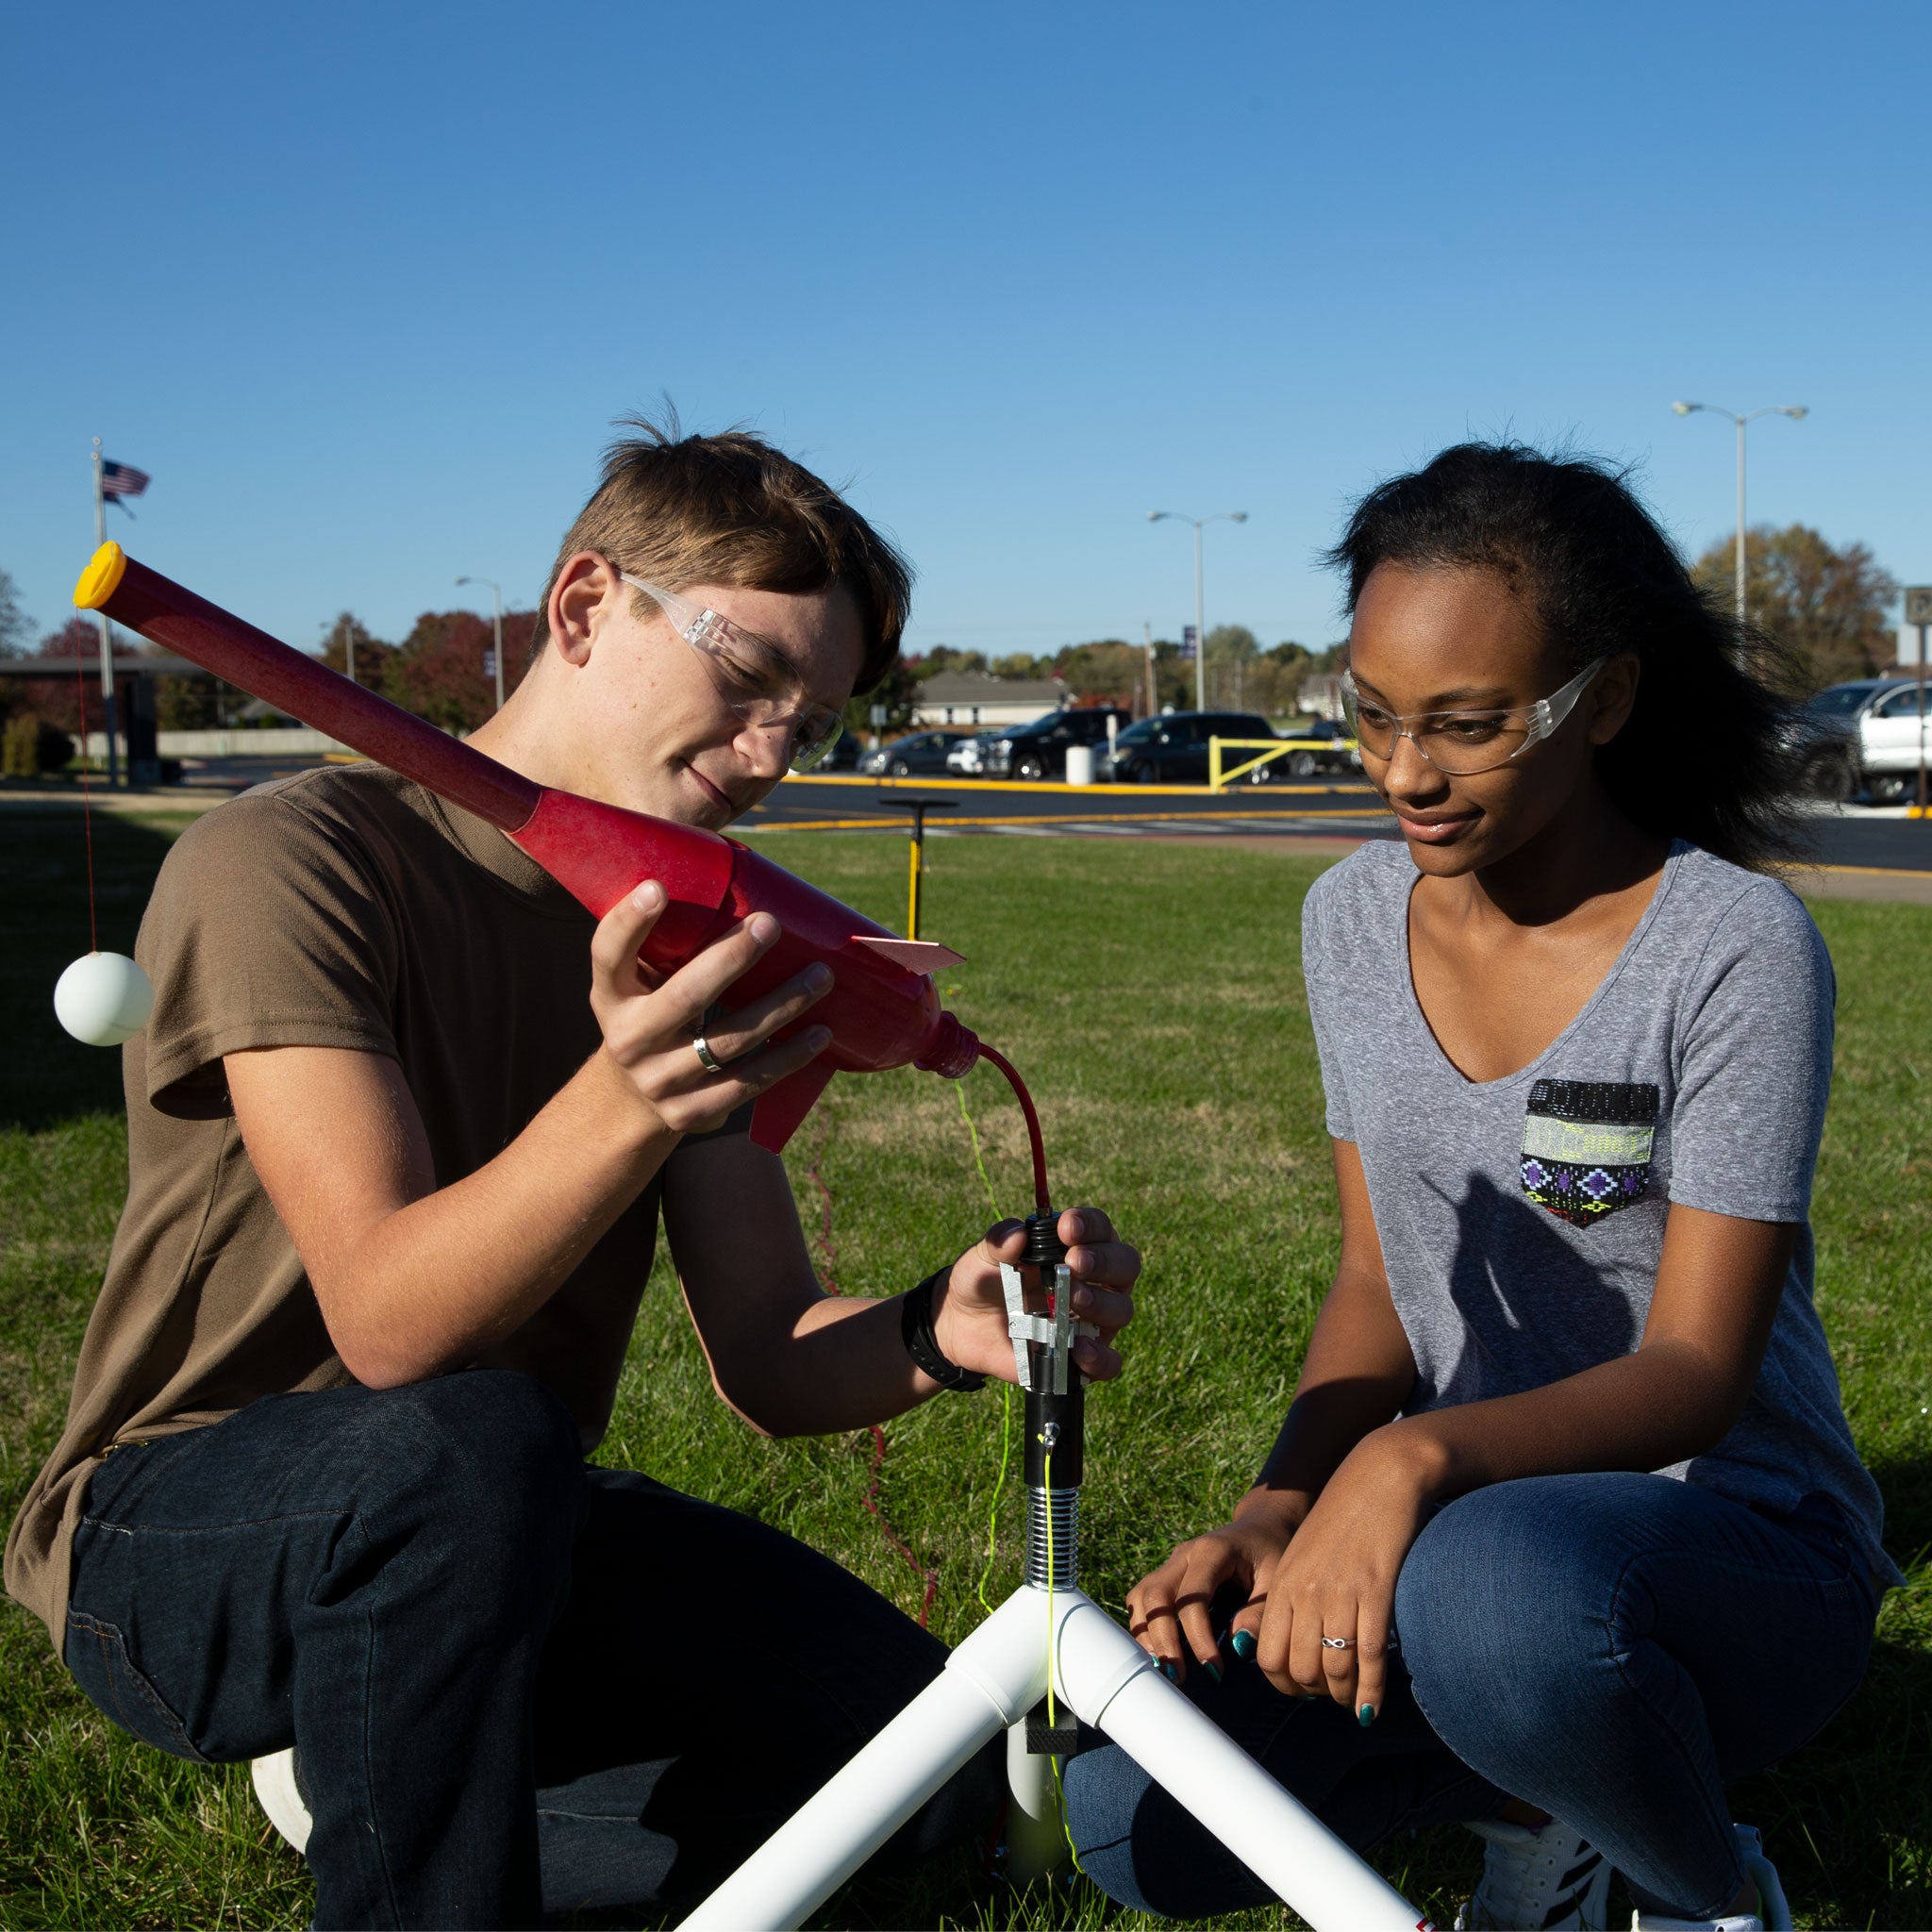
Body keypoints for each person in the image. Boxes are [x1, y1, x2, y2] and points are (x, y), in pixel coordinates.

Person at [6, 419, 1141, 1930]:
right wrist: (623, 1099)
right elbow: (390, 1329)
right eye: (749, 678)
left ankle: (389, 1754)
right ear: (588, 606)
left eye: (810, 720)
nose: (772, 755)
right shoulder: (291, 861)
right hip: (184, 1523)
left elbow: (767, 1352)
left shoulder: (685, 944)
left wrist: (936, 1329)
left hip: (509, 1522)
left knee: (918, 1769)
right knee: (465, 1444)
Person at [1063, 444, 1897, 1932]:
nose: (1404, 773)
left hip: (1737, 1548)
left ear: (1604, 701)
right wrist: (1282, 1506)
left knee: (1496, 1599)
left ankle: (1706, 1890)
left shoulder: (1732, 945)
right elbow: (1377, 1281)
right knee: (1137, 1813)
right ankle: (1537, 1785)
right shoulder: (1347, 918)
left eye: (1467, 725)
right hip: (1463, 1545)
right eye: (1373, 714)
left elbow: (1697, 1375)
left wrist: (1408, 1465)